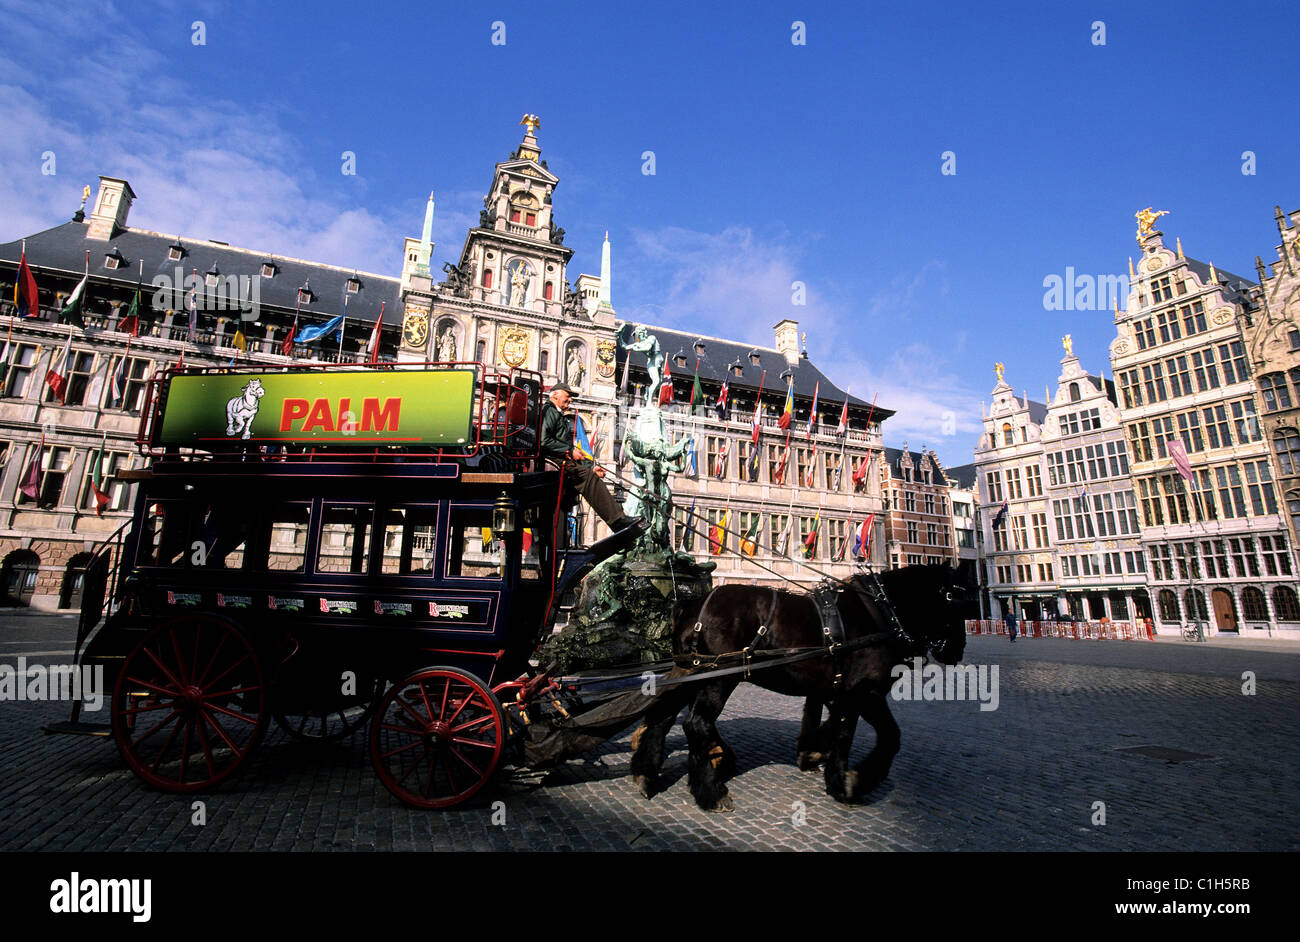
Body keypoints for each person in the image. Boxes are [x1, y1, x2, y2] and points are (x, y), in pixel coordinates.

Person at [541, 383, 643, 534]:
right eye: (567, 397)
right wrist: (569, 450)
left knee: (590, 474)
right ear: (555, 395)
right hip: (552, 462)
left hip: (561, 461)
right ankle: (617, 522)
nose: (569, 401)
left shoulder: (557, 414)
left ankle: (618, 521)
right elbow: (544, 441)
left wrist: (591, 466)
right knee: (588, 478)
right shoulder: (549, 411)